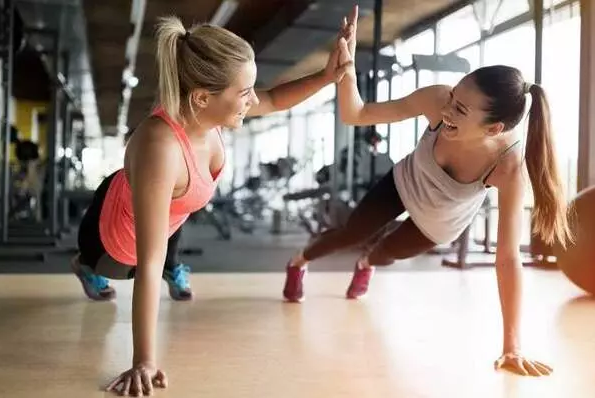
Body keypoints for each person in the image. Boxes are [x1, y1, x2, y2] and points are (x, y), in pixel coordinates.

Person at [69, 12, 355, 395]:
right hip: (111, 235)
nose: (253, 99)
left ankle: (155, 257)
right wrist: (144, 360)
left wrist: (327, 75)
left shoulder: (209, 109)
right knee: (127, 268)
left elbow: (271, 99)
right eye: (244, 92)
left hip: (168, 206)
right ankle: (84, 266)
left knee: (169, 231)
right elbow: (149, 263)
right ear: (202, 97)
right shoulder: (161, 147)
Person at [282, 10, 569, 378]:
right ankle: (298, 261)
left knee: (382, 254)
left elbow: (509, 258)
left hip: (440, 221)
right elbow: (357, 114)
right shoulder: (437, 101)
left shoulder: (508, 168)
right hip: (404, 183)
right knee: (351, 232)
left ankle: (365, 264)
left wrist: (512, 346)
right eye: (452, 96)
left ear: (494, 127)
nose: (446, 109)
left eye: (460, 110)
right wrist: (347, 71)